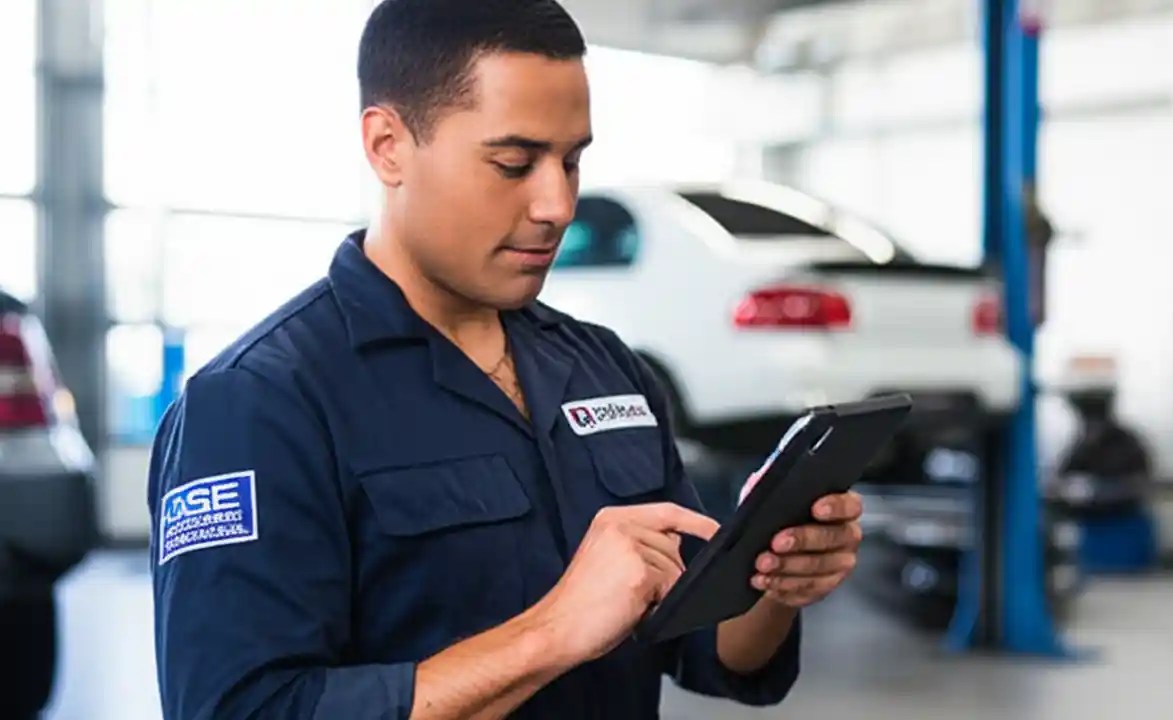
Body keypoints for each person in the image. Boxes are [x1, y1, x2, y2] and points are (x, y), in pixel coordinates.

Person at [147, 1, 865, 718]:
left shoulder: (605, 368)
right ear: (388, 145)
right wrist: (553, 632)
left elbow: (705, 647)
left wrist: (771, 579)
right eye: (514, 163)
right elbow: (243, 708)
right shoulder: (259, 404)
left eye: (573, 161)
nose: (557, 203)